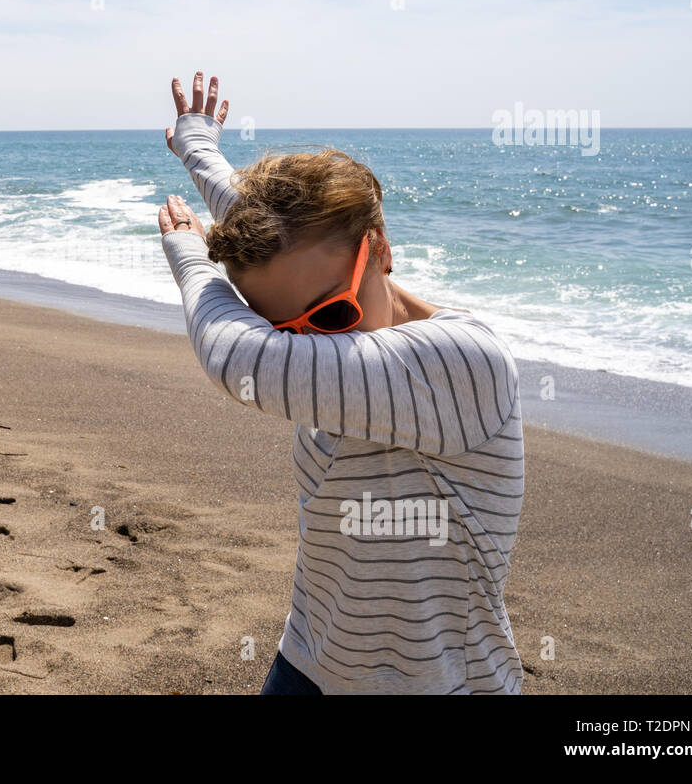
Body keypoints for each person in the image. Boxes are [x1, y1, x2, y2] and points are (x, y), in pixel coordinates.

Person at [157, 72, 524, 694]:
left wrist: (193, 261)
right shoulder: (328, 287)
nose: (315, 345)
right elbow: (284, 244)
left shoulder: (463, 362)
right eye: (283, 328)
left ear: (380, 249)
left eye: (330, 315)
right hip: (306, 661)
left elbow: (243, 361)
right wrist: (198, 149)